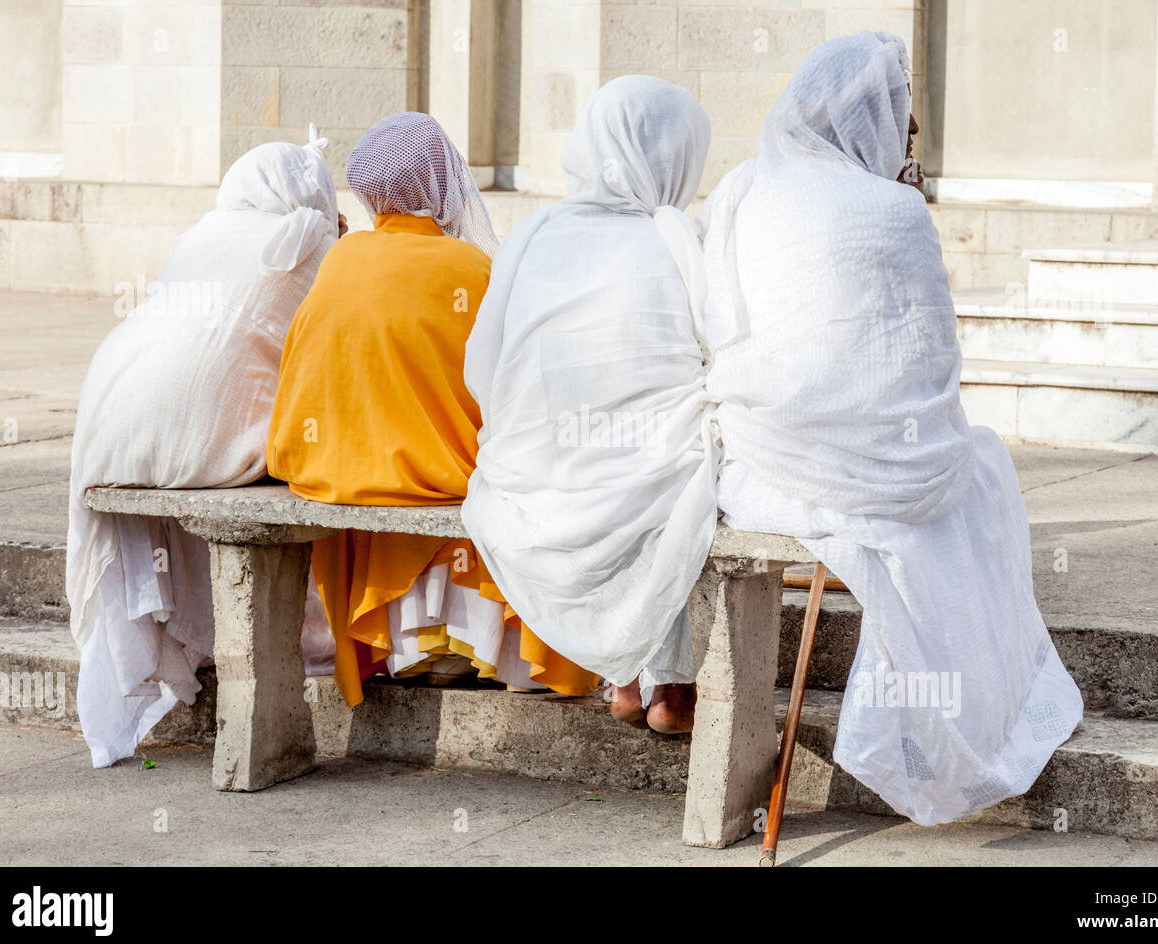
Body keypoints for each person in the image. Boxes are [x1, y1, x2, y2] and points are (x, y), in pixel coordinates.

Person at [699, 32, 1083, 824]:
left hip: (760, 468)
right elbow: (930, 373)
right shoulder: (890, 212)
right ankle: (956, 731)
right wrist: (906, 203)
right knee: (975, 466)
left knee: (948, 475)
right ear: (872, 121)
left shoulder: (739, 190)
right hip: (870, 473)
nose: (910, 141)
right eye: (904, 124)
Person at [266, 113, 599, 705]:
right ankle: (478, 642)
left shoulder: (342, 259)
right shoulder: (472, 268)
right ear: (444, 182)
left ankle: (410, 642)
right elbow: (513, 398)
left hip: (340, 475)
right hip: (435, 481)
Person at [68, 133, 343, 768]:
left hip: (107, 421)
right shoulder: (312, 245)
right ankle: (322, 637)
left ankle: (193, 639)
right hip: (192, 436)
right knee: (317, 455)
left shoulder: (199, 235)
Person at [462, 77, 717, 733]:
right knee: (679, 465)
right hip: (643, 480)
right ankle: (672, 691)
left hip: (535, 481)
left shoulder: (533, 233)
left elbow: (481, 367)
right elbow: (718, 355)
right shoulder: (676, 237)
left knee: (649, 462)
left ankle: (626, 681)